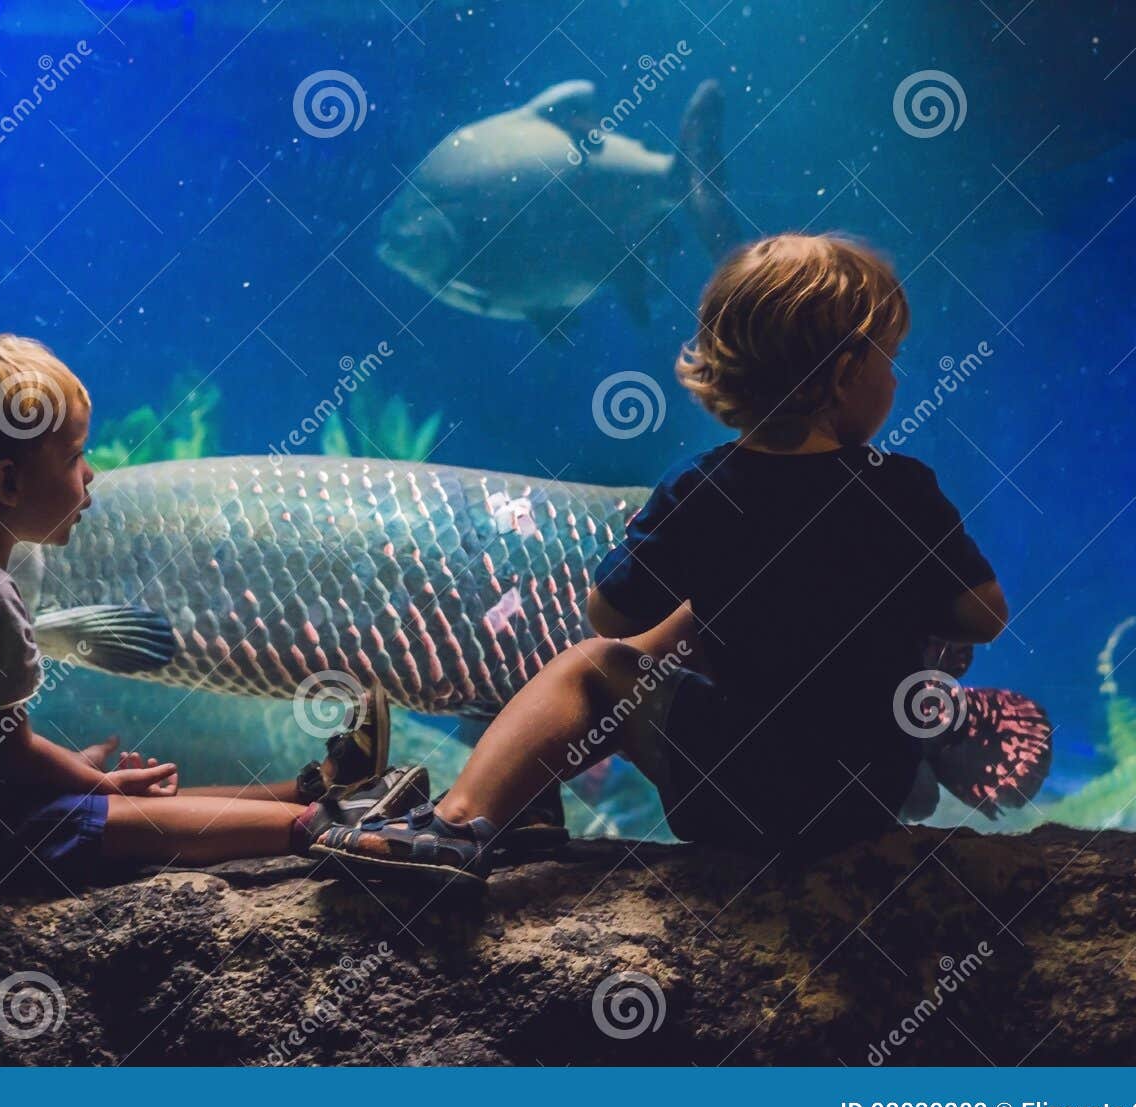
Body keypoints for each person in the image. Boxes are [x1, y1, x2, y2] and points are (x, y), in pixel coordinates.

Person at [309, 233, 1009, 895]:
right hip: (866, 797)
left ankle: (461, 825)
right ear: (848, 374)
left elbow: (610, 617)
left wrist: (701, 582)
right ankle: (513, 812)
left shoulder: (702, 488)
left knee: (592, 668)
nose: (895, 378)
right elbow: (984, 616)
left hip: (739, 793)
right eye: (890, 359)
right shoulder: (901, 488)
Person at [0, 334, 424, 887]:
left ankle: (313, 789)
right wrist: (90, 781)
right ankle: (327, 827)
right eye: (73, 457)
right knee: (120, 817)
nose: (92, 473)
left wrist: (74, 775)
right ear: (8, 484)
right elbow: (2, 750)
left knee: (118, 798)